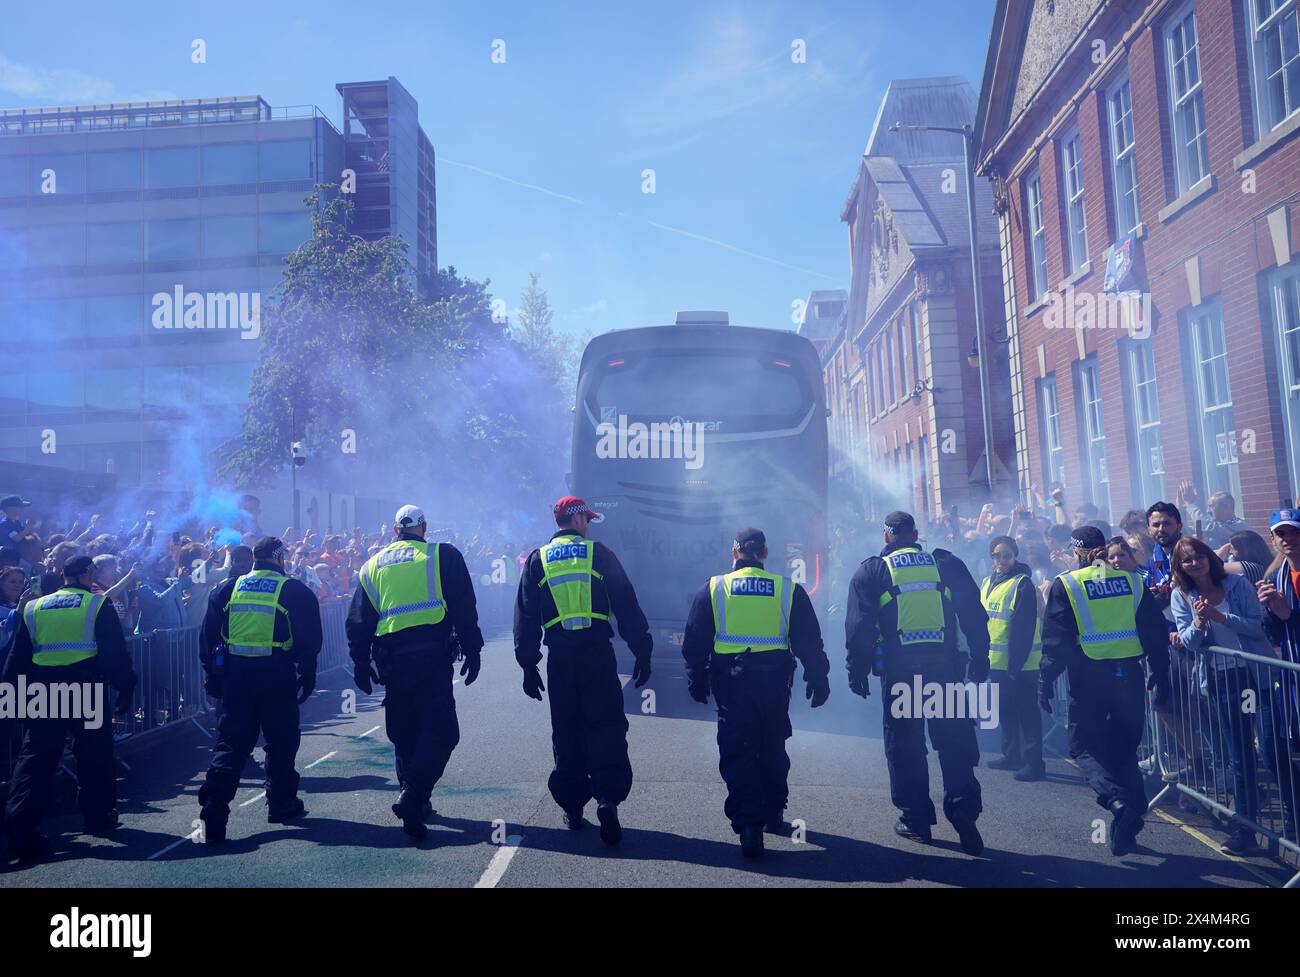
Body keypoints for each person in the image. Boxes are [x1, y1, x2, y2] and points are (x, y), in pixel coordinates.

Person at [845, 510, 990, 855]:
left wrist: (857, 669)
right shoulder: (946, 564)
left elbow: (859, 627)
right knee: (954, 741)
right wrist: (982, 657)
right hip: (946, 670)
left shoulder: (873, 570)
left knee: (906, 746)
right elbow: (973, 613)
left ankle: (916, 820)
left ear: (886, 536)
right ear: (916, 533)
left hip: (901, 675)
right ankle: (964, 812)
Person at [681, 528, 830, 856]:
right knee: (772, 745)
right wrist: (819, 677)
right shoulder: (787, 590)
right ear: (764, 554)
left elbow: (695, 640)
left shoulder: (714, 588)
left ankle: (750, 825)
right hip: (774, 686)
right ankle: (774, 812)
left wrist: (696, 678)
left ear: (735, 553)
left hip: (732, 686)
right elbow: (809, 641)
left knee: (738, 750)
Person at [513, 496, 652, 845]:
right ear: (576, 521)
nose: (589, 524)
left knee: (568, 731)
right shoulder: (600, 554)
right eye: (586, 520)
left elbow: (525, 618)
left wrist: (528, 665)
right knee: (605, 727)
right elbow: (626, 605)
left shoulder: (537, 560)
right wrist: (643, 650)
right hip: (597, 657)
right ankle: (607, 799)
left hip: (560, 661)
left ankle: (574, 808)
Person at [346, 505, 484, 840]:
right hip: (432, 659)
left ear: (394, 530)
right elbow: (464, 606)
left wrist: (361, 663)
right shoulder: (443, 555)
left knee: (405, 734)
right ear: (424, 527)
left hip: (393, 664)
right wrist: (473, 648)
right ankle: (413, 795)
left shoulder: (371, 565)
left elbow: (358, 621)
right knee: (443, 733)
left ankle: (417, 806)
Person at [1038, 525, 1171, 856]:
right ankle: (1131, 818)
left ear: (1075, 551)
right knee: (1124, 749)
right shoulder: (1132, 581)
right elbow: (1153, 631)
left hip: (1090, 678)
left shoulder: (1067, 584)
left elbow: (1057, 642)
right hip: (1129, 677)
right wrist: (1161, 672)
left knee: (1084, 748)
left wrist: (1045, 680)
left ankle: (1118, 803)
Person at [2, 555, 137, 861]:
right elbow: (114, 654)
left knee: (35, 759)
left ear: (63, 576)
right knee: (95, 756)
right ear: (88, 575)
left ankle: (20, 831)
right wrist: (126, 686)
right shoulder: (97, 605)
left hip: (43, 691)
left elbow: (17, 657)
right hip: (84, 688)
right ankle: (98, 818)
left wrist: (9, 695)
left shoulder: (35, 607)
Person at [197, 537, 322, 844]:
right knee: (281, 741)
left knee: (230, 743)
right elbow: (309, 642)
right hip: (276, 676)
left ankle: (215, 806)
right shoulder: (295, 590)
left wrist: (212, 675)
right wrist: (307, 675)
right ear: (280, 558)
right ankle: (280, 804)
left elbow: (207, 638)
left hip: (236, 679)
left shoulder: (226, 589)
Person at [1169, 536, 1268, 854]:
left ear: (1211, 557)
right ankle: (1246, 830)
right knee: (1241, 753)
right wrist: (1199, 621)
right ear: (1179, 567)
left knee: (1270, 748)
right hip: (1222, 681)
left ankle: (1289, 823)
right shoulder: (1181, 595)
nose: (1195, 563)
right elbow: (1189, 641)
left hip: (1254, 676)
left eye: (1199, 556)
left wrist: (1222, 617)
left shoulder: (1237, 583)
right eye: (1187, 560)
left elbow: (1257, 627)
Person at [980, 536, 1045, 781]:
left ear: (1015, 555)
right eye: (996, 555)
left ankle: (1034, 763)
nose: (1001, 560)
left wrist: (1014, 665)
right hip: (995, 661)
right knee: (1005, 710)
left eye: (1006, 555)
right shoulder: (987, 582)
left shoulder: (1023, 584)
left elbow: (1023, 629)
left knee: (1027, 713)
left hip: (1020, 663)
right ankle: (1011, 755)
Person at [1257, 508, 1300, 838]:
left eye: (1294, 532)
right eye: (1281, 533)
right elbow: (1271, 634)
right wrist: (1271, 612)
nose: (1288, 539)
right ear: (1272, 538)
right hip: (1290, 677)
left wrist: (1290, 614)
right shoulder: (1275, 576)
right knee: (1276, 745)